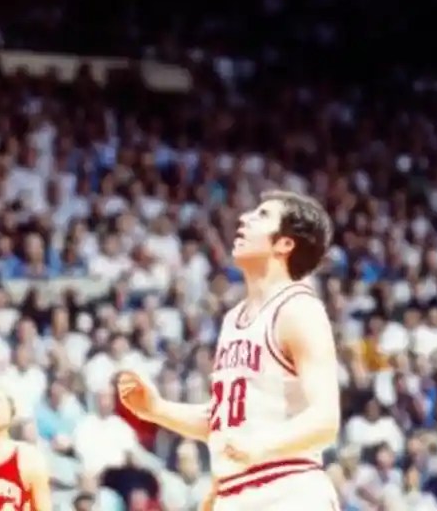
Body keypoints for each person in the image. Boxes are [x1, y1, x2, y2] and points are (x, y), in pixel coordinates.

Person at [117, 190, 341, 511]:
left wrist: (257, 448)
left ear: (285, 244)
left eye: (262, 215)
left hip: (288, 489)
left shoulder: (299, 309)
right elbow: (226, 421)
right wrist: (156, 408)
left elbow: (325, 419)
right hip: (236, 492)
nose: (244, 219)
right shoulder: (234, 318)